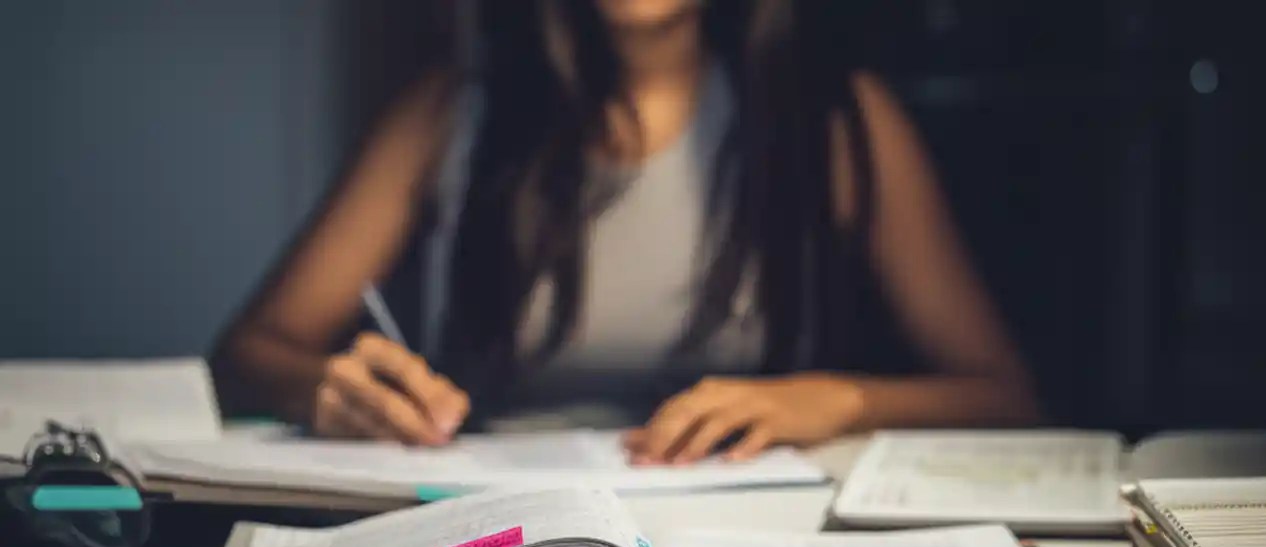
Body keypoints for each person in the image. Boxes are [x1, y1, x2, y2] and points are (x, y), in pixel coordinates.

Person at [211, 0, 1039, 465]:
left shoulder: (836, 121)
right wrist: (321, 387)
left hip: (753, 537)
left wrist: (836, 400)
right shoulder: (450, 114)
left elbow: (1005, 397)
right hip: (495, 527)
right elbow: (251, 351)